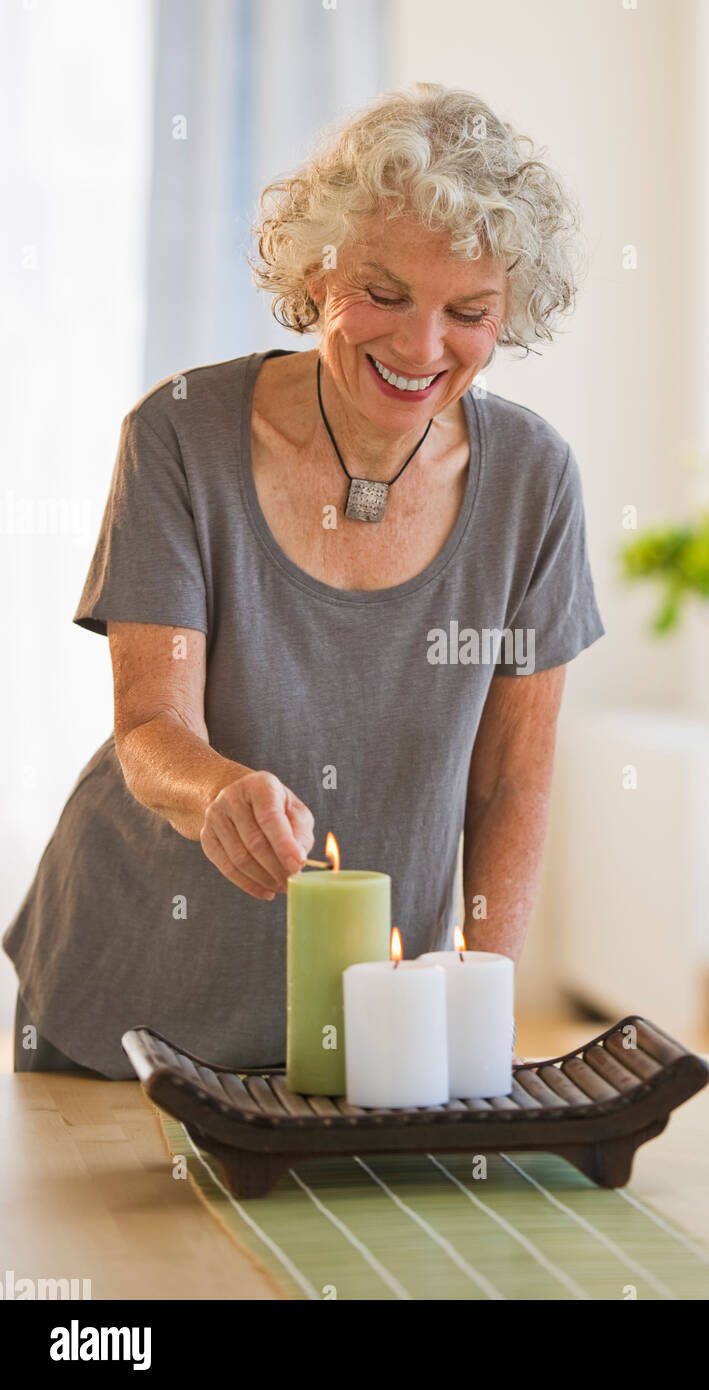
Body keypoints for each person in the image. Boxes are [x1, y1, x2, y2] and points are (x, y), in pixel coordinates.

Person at [3, 82, 604, 1080]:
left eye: (467, 311)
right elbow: (152, 731)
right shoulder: (180, 434)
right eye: (382, 291)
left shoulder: (533, 483)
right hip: (124, 1008)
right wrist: (220, 793)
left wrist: (475, 1001)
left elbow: (509, 782)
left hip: (366, 1031)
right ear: (316, 264)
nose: (419, 349)